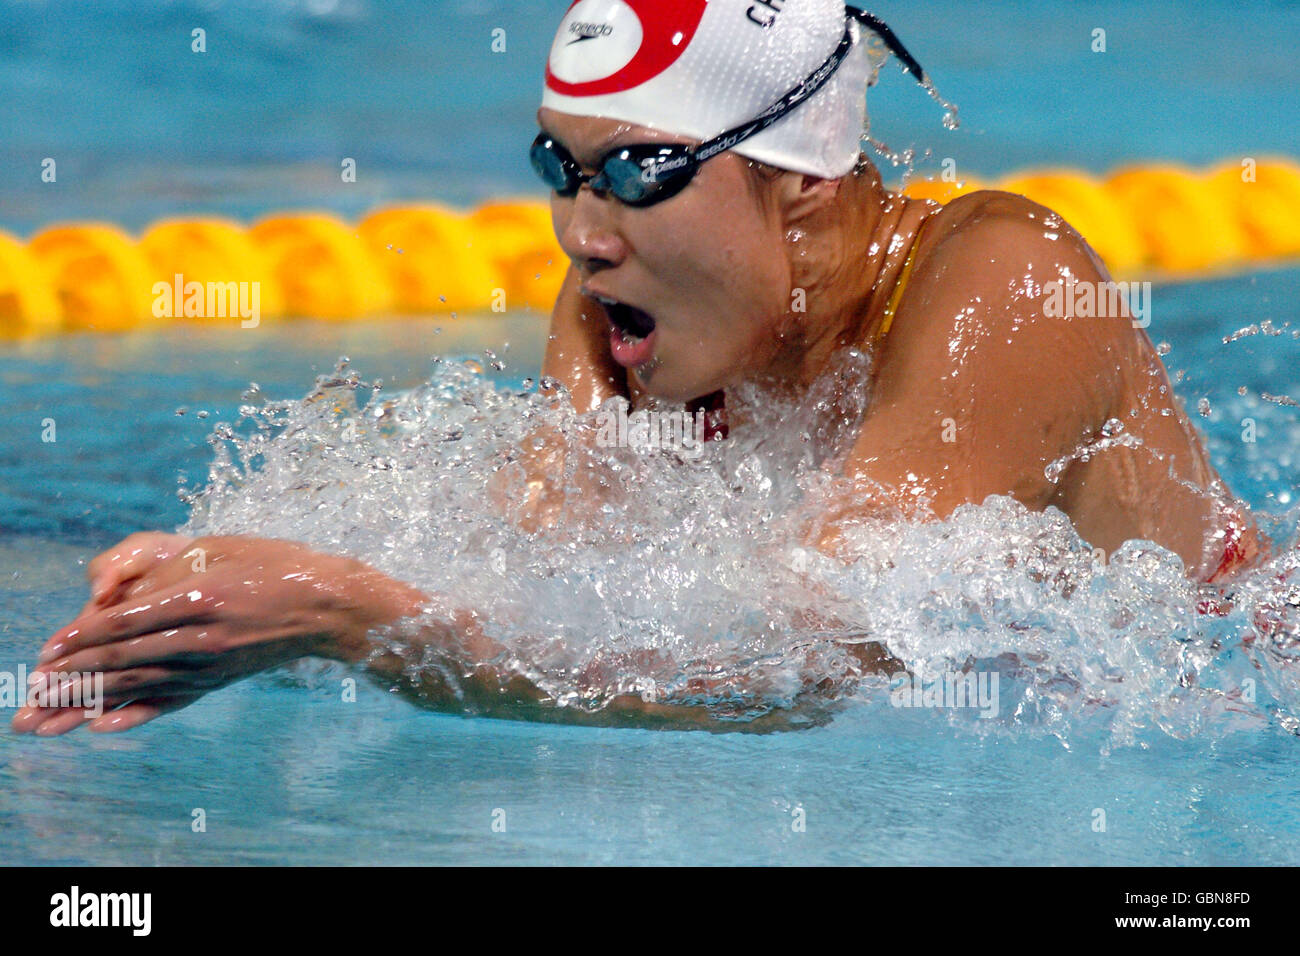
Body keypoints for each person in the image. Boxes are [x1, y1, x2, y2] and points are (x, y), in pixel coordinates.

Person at [12, 0, 1263, 737]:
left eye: (638, 170)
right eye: (560, 165)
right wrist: (229, 570)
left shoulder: (998, 283)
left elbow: (810, 660)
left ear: (809, 188)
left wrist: (357, 617)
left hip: (1234, 674)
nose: (580, 229)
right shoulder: (630, 303)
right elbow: (546, 564)